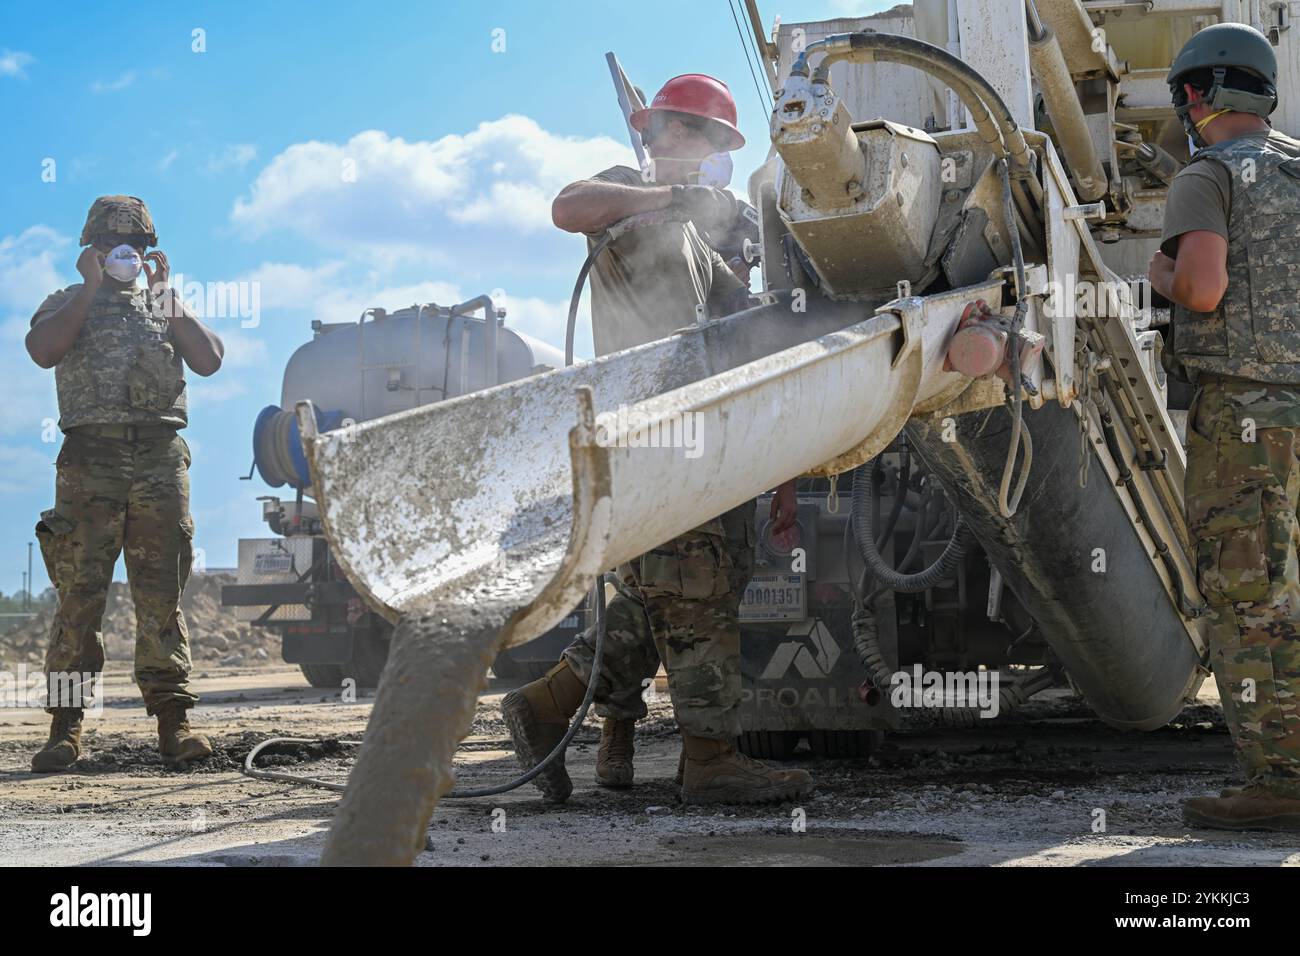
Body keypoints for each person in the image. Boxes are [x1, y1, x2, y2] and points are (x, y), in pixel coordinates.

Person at [502, 74, 809, 804]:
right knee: (692, 590)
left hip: (711, 439)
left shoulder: (709, 239)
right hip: (657, 434)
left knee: (659, 599)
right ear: (663, 134)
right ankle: (710, 762)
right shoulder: (628, 195)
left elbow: (757, 346)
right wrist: (670, 199)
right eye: (709, 139)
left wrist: (785, 470)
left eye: (723, 147)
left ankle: (546, 705)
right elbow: (566, 207)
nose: (715, 157)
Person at [1148, 24, 1300, 830]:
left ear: (1196, 94)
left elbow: (1203, 291)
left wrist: (1160, 269)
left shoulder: (1207, 176)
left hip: (1245, 415)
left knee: (1250, 593)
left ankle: (1282, 779)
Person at [26, 195, 225, 772]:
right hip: (90, 460)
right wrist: (88, 289)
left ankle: (173, 722)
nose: (125, 255)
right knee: (79, 598)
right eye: (112, 247)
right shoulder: (66, 302)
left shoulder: (165, 304)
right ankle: (65, 729)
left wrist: (167, 295)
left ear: (148, 252)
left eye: (135, 248)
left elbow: (209, 360)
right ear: (89, 250)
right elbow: (42, 351)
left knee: (161, 597)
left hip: (160, 459)